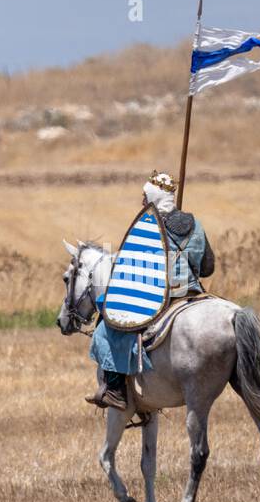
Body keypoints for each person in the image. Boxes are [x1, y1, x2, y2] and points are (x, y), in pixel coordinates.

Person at [87, 170, 217, 410]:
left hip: (163, 297)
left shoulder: (150, 225)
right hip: (193, 293)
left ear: (154, 199)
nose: (142, 203)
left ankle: (114, 388)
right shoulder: (195, 224)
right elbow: (208, 267)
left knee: (110, 323)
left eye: (145, 198)